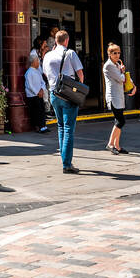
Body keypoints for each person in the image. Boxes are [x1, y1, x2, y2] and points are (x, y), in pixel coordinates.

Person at [43, 30, 85, 174]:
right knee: (68, 129)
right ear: (66, 41)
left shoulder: (47, 55)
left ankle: (64, 160)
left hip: (54, 94)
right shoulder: (70, 53)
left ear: (55, 41)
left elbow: (45, 73)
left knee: (61, 127)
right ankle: (67, 164)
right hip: (68, 95)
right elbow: (80, 73)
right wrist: (79, 88)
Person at [103, 43, 132, 155]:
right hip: (113, 97)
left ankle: (117, 145)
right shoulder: (109, 65)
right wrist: (123, 71)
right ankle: (110, 144)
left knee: (118, 121)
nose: (117, 55)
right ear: (109, 54)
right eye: (114, 53)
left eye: (118, 53)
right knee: (121, 121)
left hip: (118, 96)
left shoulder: (116, 64)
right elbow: (121, 79)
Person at [23, 51, 49, 135]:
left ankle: (43, 126)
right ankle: (39, 126)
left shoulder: (37, 71)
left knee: (42, 110)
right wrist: (37, 92)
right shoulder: (29, 72)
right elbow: (30, 85)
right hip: (33, 96)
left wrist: (42, 89)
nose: (39, 63)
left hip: (39, 95)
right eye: (38, 61)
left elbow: (43, 82)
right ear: (33, 62)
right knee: (36, 112)